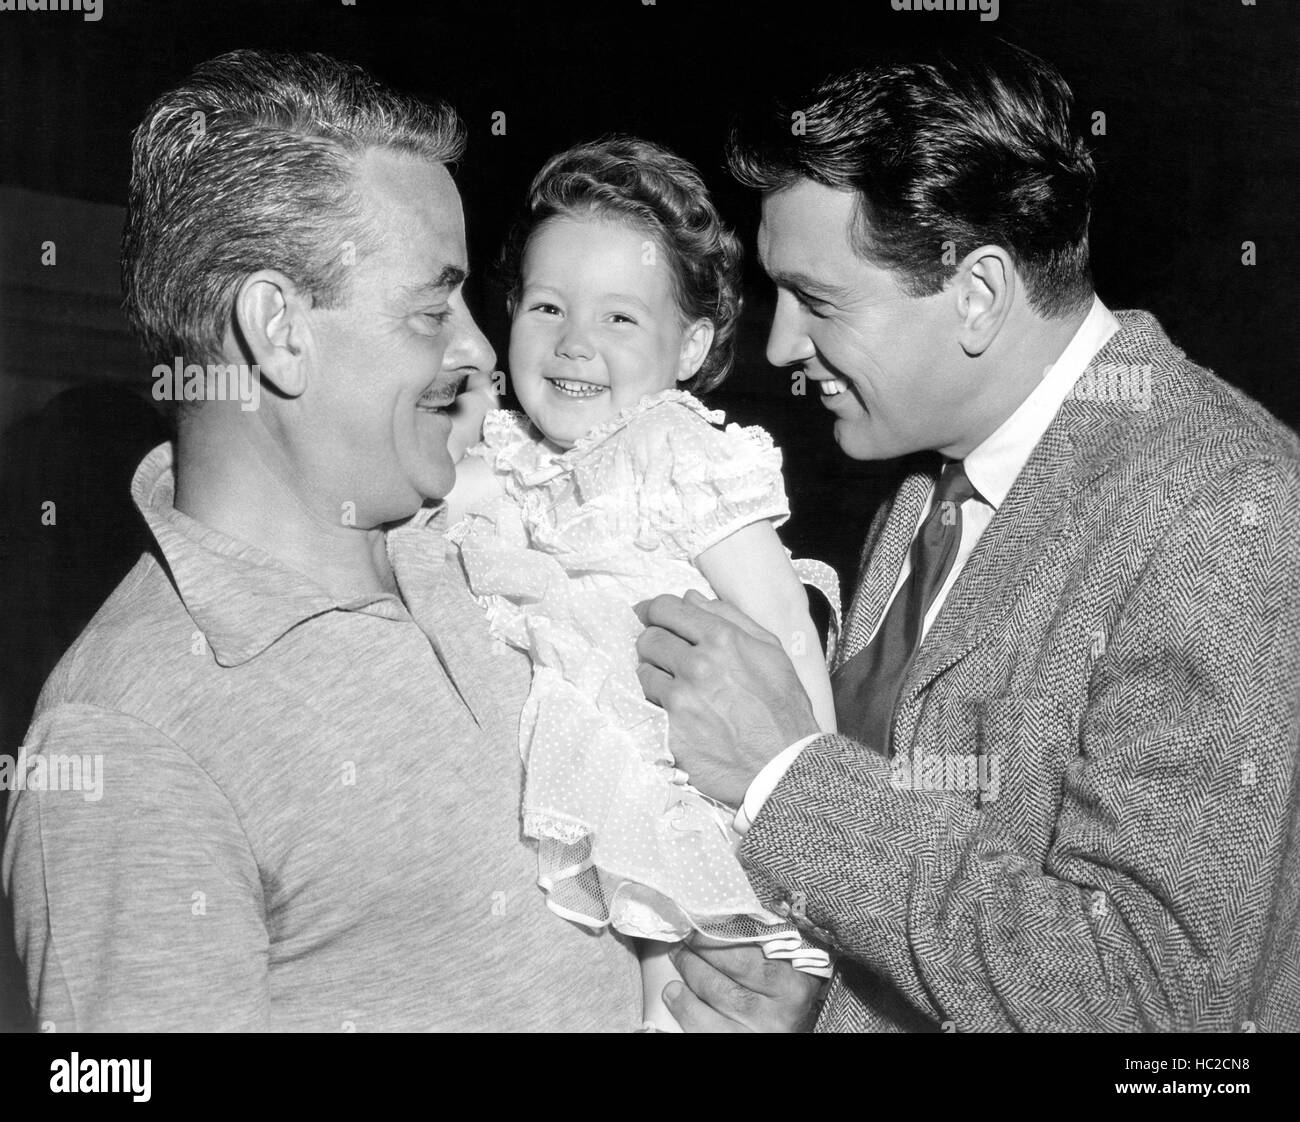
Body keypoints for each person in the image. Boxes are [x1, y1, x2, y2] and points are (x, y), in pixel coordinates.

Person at [638, 41, 1300, 1032]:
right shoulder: (928, 482)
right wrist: (824, 993)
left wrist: (785, 776)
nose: (779, 347)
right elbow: (930, 903)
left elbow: (1150, 1009)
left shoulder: (1222, 509)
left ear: (979, 294)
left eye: (817, 301)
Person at [0, 49, 653, 1031]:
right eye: (433, 308)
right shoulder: (129, 744)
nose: (479, 347)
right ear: (278, 330)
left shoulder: (493, 547)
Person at [446, 138, 836, 1031]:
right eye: (547, 306)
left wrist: (800, 818)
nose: (574, 341)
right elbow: (422, 500)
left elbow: (783, 625)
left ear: (692, 345)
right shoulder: (508, 457)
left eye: (620, 319)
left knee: (688, 1001)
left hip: (687, 783)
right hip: (564, 791)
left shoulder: (676, 450)